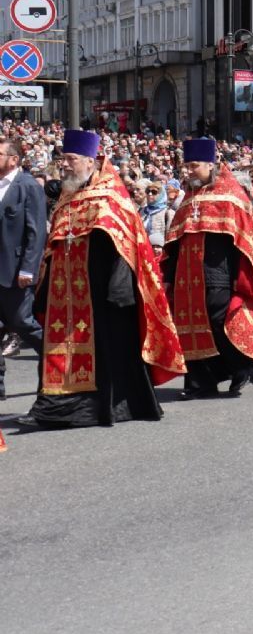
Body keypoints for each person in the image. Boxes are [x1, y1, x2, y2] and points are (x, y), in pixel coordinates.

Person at [19, 130, 185, 428]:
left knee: (103, 354)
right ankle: (52, 406)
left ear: (91, 161)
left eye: (71, 160)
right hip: (63, 292)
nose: (65, 166)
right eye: (63, 160)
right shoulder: (68, 199)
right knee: (55, 349)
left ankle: (96, 408)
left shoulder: (109, 198)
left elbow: (126, 248)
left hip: (100, 294)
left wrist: (118, 290)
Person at [162, 139, 253, 400]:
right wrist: (169, 275)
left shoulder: (231, 194)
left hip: (218, 273)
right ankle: (200, 383)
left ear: (211, 164)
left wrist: (238, 278)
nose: (188, 171)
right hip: (187, 276)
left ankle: (241, 368)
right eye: (186, 166)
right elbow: (175, 239)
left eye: (194, 165)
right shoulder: (189, 198)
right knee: (189, 326)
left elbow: (243, 239)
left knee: (219, 322)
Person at [0, 136, 46, 401]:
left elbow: (36, 231)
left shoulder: (27, 186)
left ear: (13, 159)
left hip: (15, 271)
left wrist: (28, 269)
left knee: (22, 323)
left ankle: (56, 364)